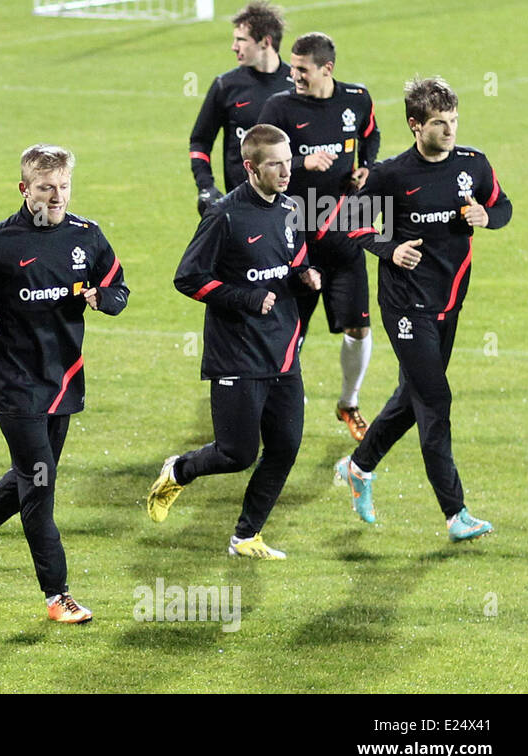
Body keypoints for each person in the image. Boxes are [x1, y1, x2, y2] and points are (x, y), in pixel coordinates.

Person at [0, 144, 128, 623]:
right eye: (46, 188)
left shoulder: (88, 236)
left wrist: (102, 298)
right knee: (41, 486)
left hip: (62, 379)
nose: (57, 196)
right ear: (25, 189)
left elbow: (118, 289)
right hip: (13, 381)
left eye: (64, 187)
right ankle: (57, 596)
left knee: (31, 475)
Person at [334, 77, 510, 542]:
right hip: (404, 303)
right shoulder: (392, 176)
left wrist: (487, 217)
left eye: (453, 121)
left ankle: (358, 467)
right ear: (415, 125)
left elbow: (504, 205)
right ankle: (456, 514)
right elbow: (346, 223)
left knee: (413, 397)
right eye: (439, 123)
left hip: (448, 302)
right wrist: (389, 249)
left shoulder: (473, 165)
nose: (449, 130)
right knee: (435, 399)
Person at [148, 124, 321, 559]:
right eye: (275, 164)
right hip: (237, 354)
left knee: (285, 448)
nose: (286, 171)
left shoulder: (291, 208)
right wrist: (244, 298)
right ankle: (180, 469)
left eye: (289, 161)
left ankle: (246, 536)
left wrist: (304, 277)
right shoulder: (224, 216)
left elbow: (290, 261)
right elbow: (187, 278)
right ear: (250, 167)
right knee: (237, 453)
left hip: (282, 350)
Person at [257, 32, 380, 442]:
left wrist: (367, 168)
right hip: (297, 238)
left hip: (346, 232)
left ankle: (349, 401)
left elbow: (370, 135)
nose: (293, 75)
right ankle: (280, 408)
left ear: (326, 69)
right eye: (292, 67)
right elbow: (259, 159)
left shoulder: (357, 99)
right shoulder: (280, 107)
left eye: (302, 69)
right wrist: (300, 161)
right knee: (291, 332)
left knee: (359, 328)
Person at [188, 2, 293, 217]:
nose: (234, 46)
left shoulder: (296, 84)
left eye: (241, 40)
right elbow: (200, 140)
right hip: (241, 206)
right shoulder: (226, 86)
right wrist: (206, 186)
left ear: (265, 42)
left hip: (290, 205)